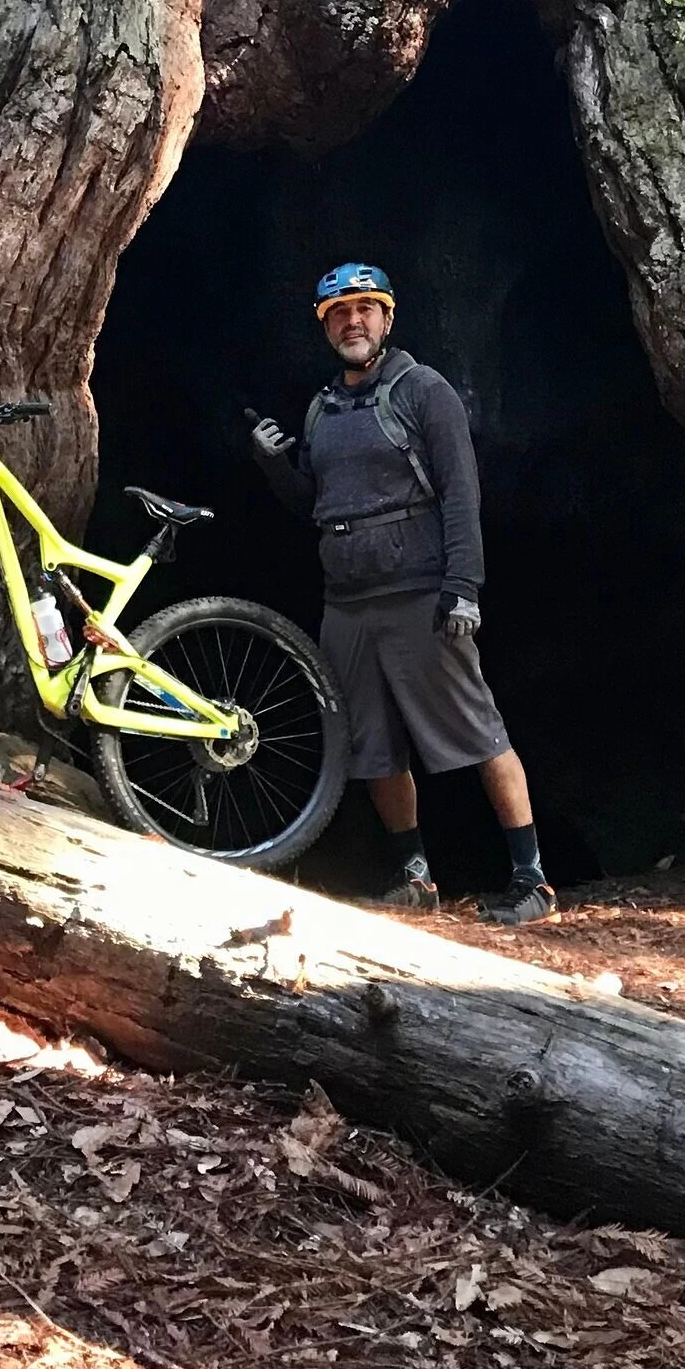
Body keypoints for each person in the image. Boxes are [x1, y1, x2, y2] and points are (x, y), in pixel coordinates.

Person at [249, 262, 554, 925]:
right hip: (348, 604)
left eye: (364, 309)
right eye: (338, 313)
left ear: (387, 318)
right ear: (325, 327)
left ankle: (532, 879)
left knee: (477, 731)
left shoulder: (424, 392)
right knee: (372, 747)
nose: (351, 322)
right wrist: (276, 464)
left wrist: (462, 587)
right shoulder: (323, 406)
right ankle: (416, 876)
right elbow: (314, 503)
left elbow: (461, 492)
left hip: (419, 593)